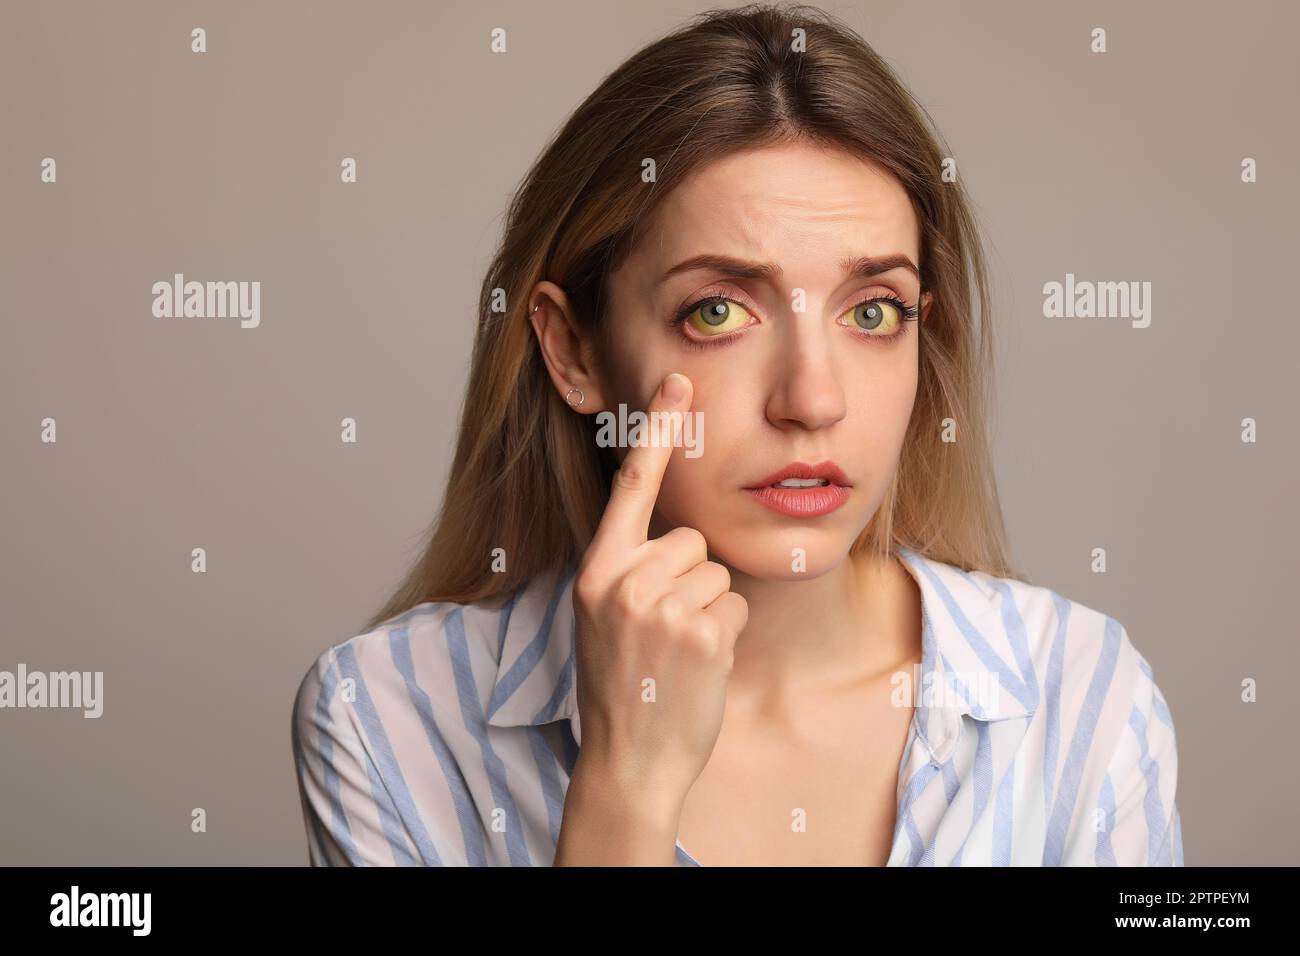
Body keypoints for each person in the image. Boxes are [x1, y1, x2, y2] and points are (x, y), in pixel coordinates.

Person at [291, 2, 1181, 866]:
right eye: (718, 311)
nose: (812, 399)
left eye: (873, 311)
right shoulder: (388, 718)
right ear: (575, 352)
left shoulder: (1082, 696)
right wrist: (624, 787)